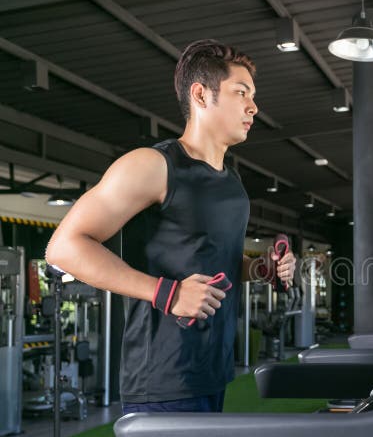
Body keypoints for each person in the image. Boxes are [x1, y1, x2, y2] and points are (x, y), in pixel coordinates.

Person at [46, 39, 296, 414]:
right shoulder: (152, 165)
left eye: (253, 95)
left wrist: (261, 269)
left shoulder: (231, 182)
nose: (253, 106)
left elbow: (210, 257)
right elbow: (64, 247)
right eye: (240, 92)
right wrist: (167, 293)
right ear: (200, 94)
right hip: (162, 379)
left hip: (212, 370)